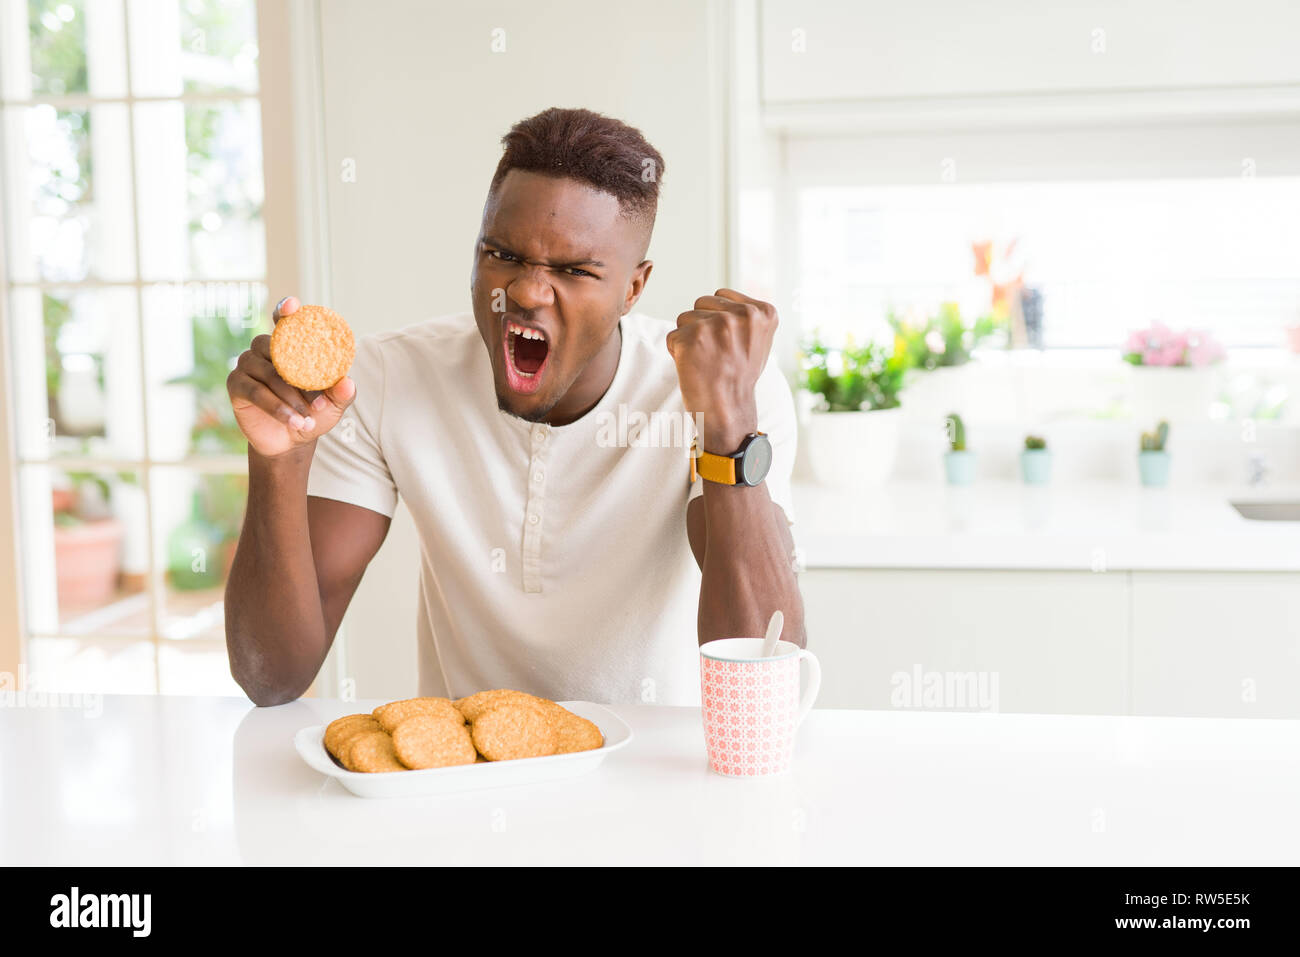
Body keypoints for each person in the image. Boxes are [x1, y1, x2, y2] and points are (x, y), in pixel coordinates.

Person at [224, 107, 804, 707]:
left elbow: (762, 684)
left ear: (633, 288)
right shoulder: (382, 381)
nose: (525, 292)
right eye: (502, 254)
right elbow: (272, 678)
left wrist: (729, 424)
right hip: (466, 779)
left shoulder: (728, 394)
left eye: (575, 270)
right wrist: (278, 461)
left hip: (661, 780)